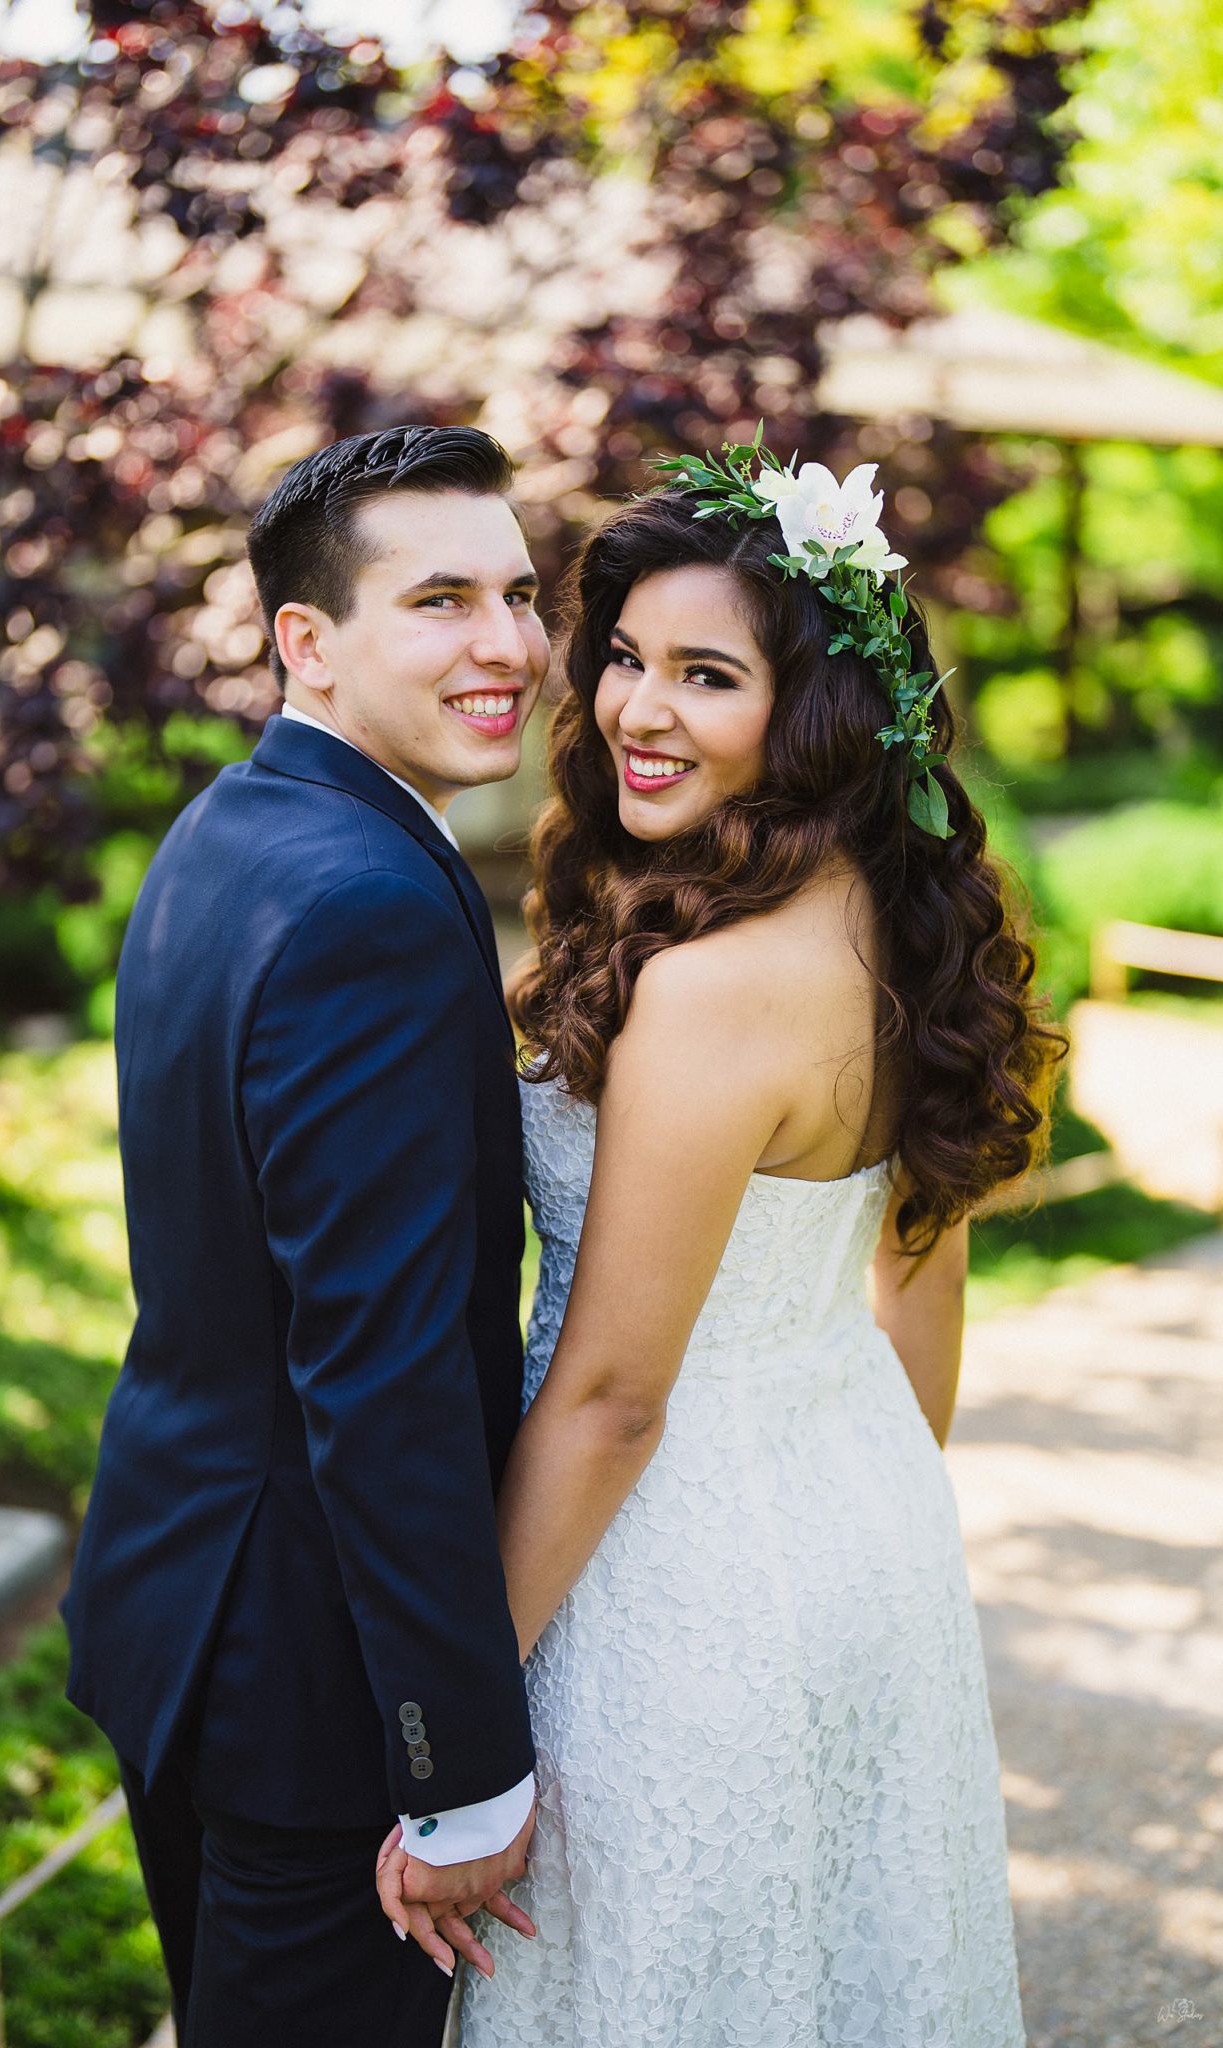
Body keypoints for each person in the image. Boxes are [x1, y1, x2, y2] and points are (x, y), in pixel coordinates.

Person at [419, 449, 1062, 2046]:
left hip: (669, 1572)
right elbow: (918, 1282)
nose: (636, 708)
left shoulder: (714, 995)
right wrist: (864, 1557)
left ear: (822, 716)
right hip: (864, 1526)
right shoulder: (905, 927)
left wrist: (450, 1741)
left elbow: (613, 1398)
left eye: (707, 674)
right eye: (625, 656)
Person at [62, 425, 551, 2048]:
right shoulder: (373, 909)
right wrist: (461, 1766)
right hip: (309, 1691)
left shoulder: (228, 834)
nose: (508, 643)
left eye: (520, 593)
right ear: (309, 642)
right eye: (442, 600)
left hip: (179, 1611)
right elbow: (384, 1371)